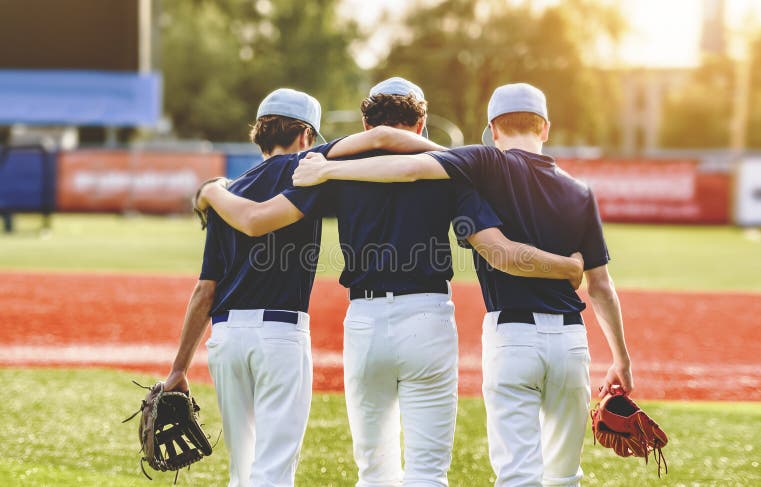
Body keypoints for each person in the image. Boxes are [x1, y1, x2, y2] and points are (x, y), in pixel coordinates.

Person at [195, 78, 584, 487]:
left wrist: (211, 192)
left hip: (364, 321)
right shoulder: (451, 170)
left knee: (375, 474)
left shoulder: (335, 173)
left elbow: (260, 219)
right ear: (422, 125)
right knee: (428, 472)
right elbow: (491, 244)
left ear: (365, 126)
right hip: (428, 318)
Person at [291, 83, 634, 487]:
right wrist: (619, 356)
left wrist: (327, 166)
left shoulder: (483, 164)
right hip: (545, 337)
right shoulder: (569, 189)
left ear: (492, 127)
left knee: (380, 473)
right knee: (554, 477)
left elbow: (495, 249)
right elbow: (600, 285)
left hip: (403, 323)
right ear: (544, 128)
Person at [164, 87, 451, 487]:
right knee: (274, 472)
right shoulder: (307, 163)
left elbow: (204, 291)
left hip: (225, 339)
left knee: (241, 473)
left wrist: (178, 368)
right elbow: (383, 138)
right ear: (305, 136)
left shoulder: (227, 194)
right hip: (280, 334)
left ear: (258, 133)